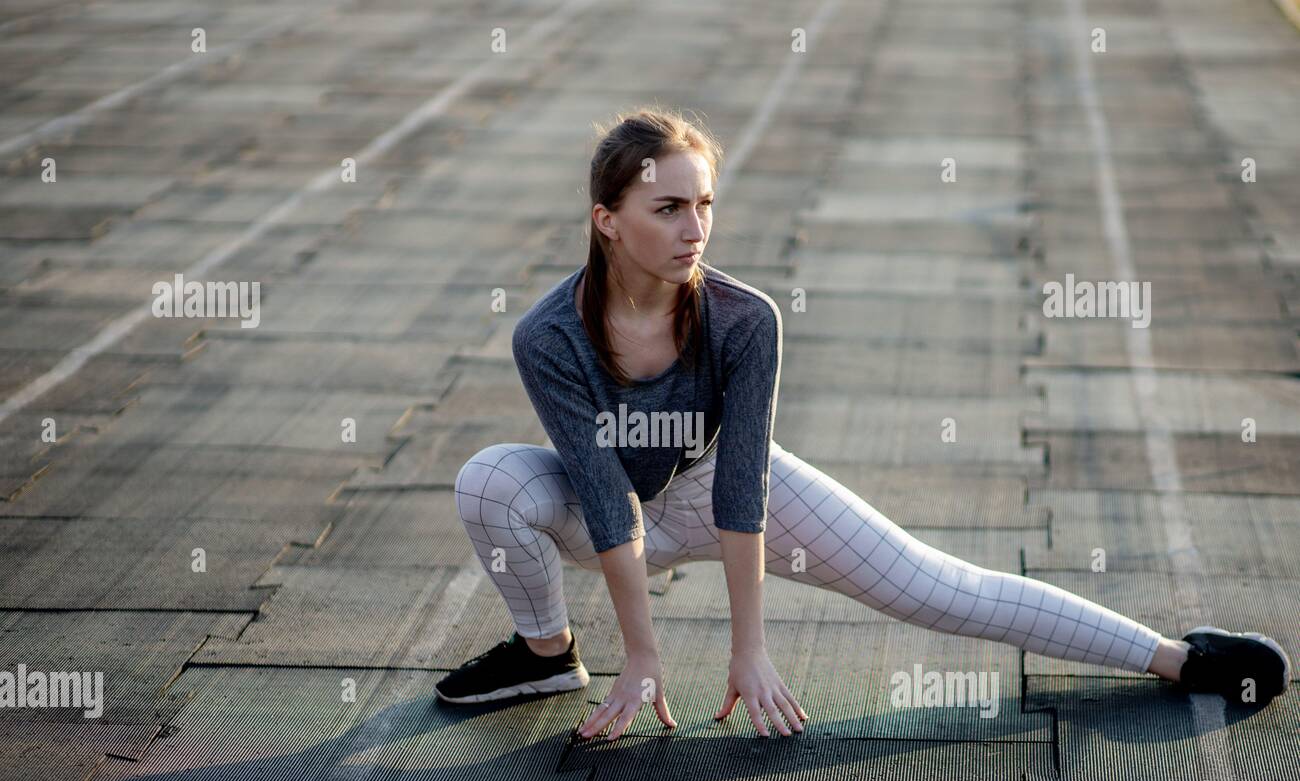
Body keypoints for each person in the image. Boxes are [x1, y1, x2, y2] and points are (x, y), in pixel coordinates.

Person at [437, 107, 1292, 739]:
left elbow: (744, 490)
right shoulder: (547, 335)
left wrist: (750, 648)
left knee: (936, 586)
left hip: (713, 489)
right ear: (607, 222)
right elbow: (602, 496)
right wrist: (644, 655)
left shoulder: (745, 319)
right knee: (490, 481)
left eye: (703, 205)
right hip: (608, 511)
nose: (695, 229)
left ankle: (1176, 656)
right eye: (667, 210)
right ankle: (548, 654)